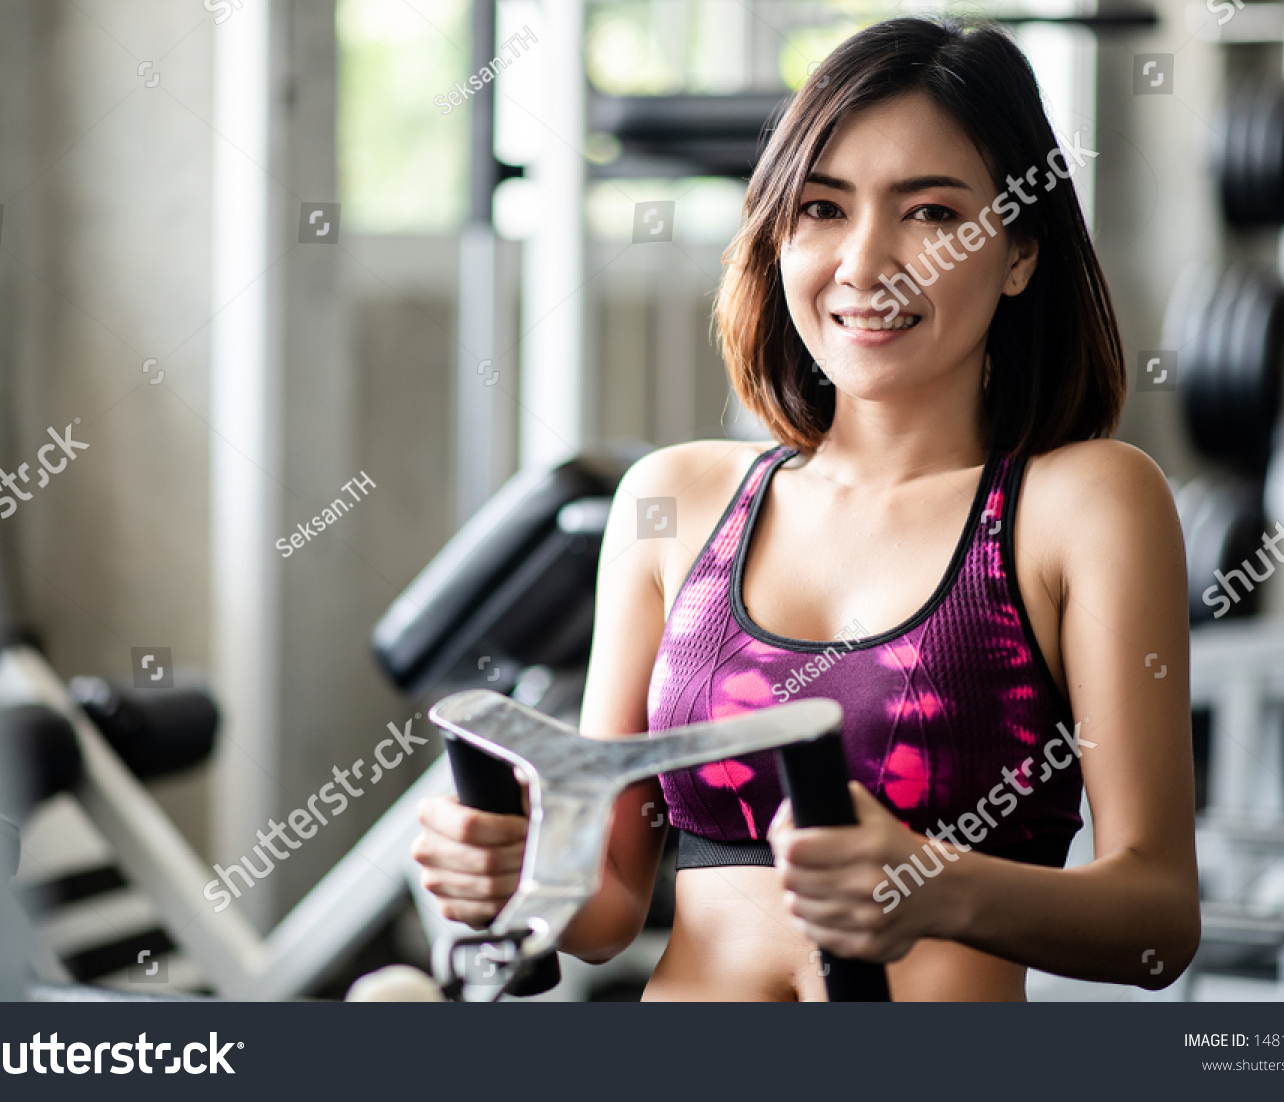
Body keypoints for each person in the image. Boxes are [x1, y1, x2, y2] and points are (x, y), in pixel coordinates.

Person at [413, 15, 1199, 1001]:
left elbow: (1159, 925)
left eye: (931, 213)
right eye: (823, 208)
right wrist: (513, 869)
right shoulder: (673, 499)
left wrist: (935, 888)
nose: (866, 262)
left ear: (1019, 252)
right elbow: (608, 906)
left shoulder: (1083, 503)